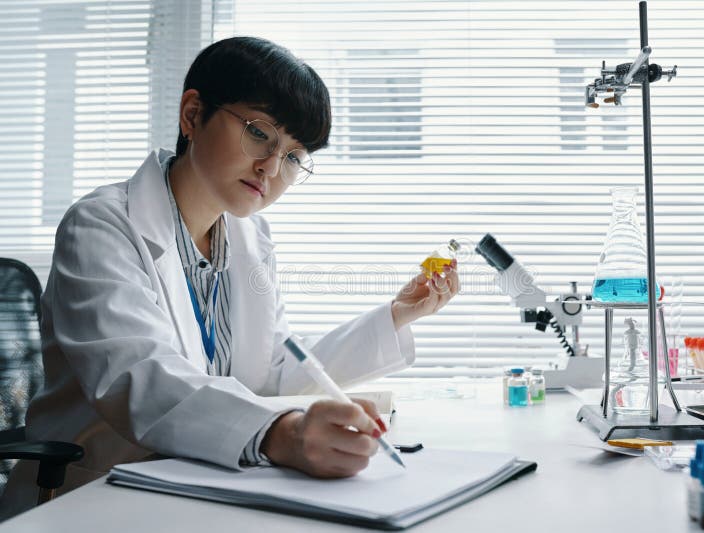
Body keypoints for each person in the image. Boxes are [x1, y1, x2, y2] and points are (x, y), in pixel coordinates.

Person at [1, 36, 459, 517]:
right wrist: (284, 433)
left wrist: (395, 317)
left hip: (199, 488)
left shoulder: (249, 236)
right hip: (90, 500)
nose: (271, 168)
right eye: (260, 133)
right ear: (193, 115)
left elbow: (272, 372)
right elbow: (140, 379)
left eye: (294, 156)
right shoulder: (101, 226)